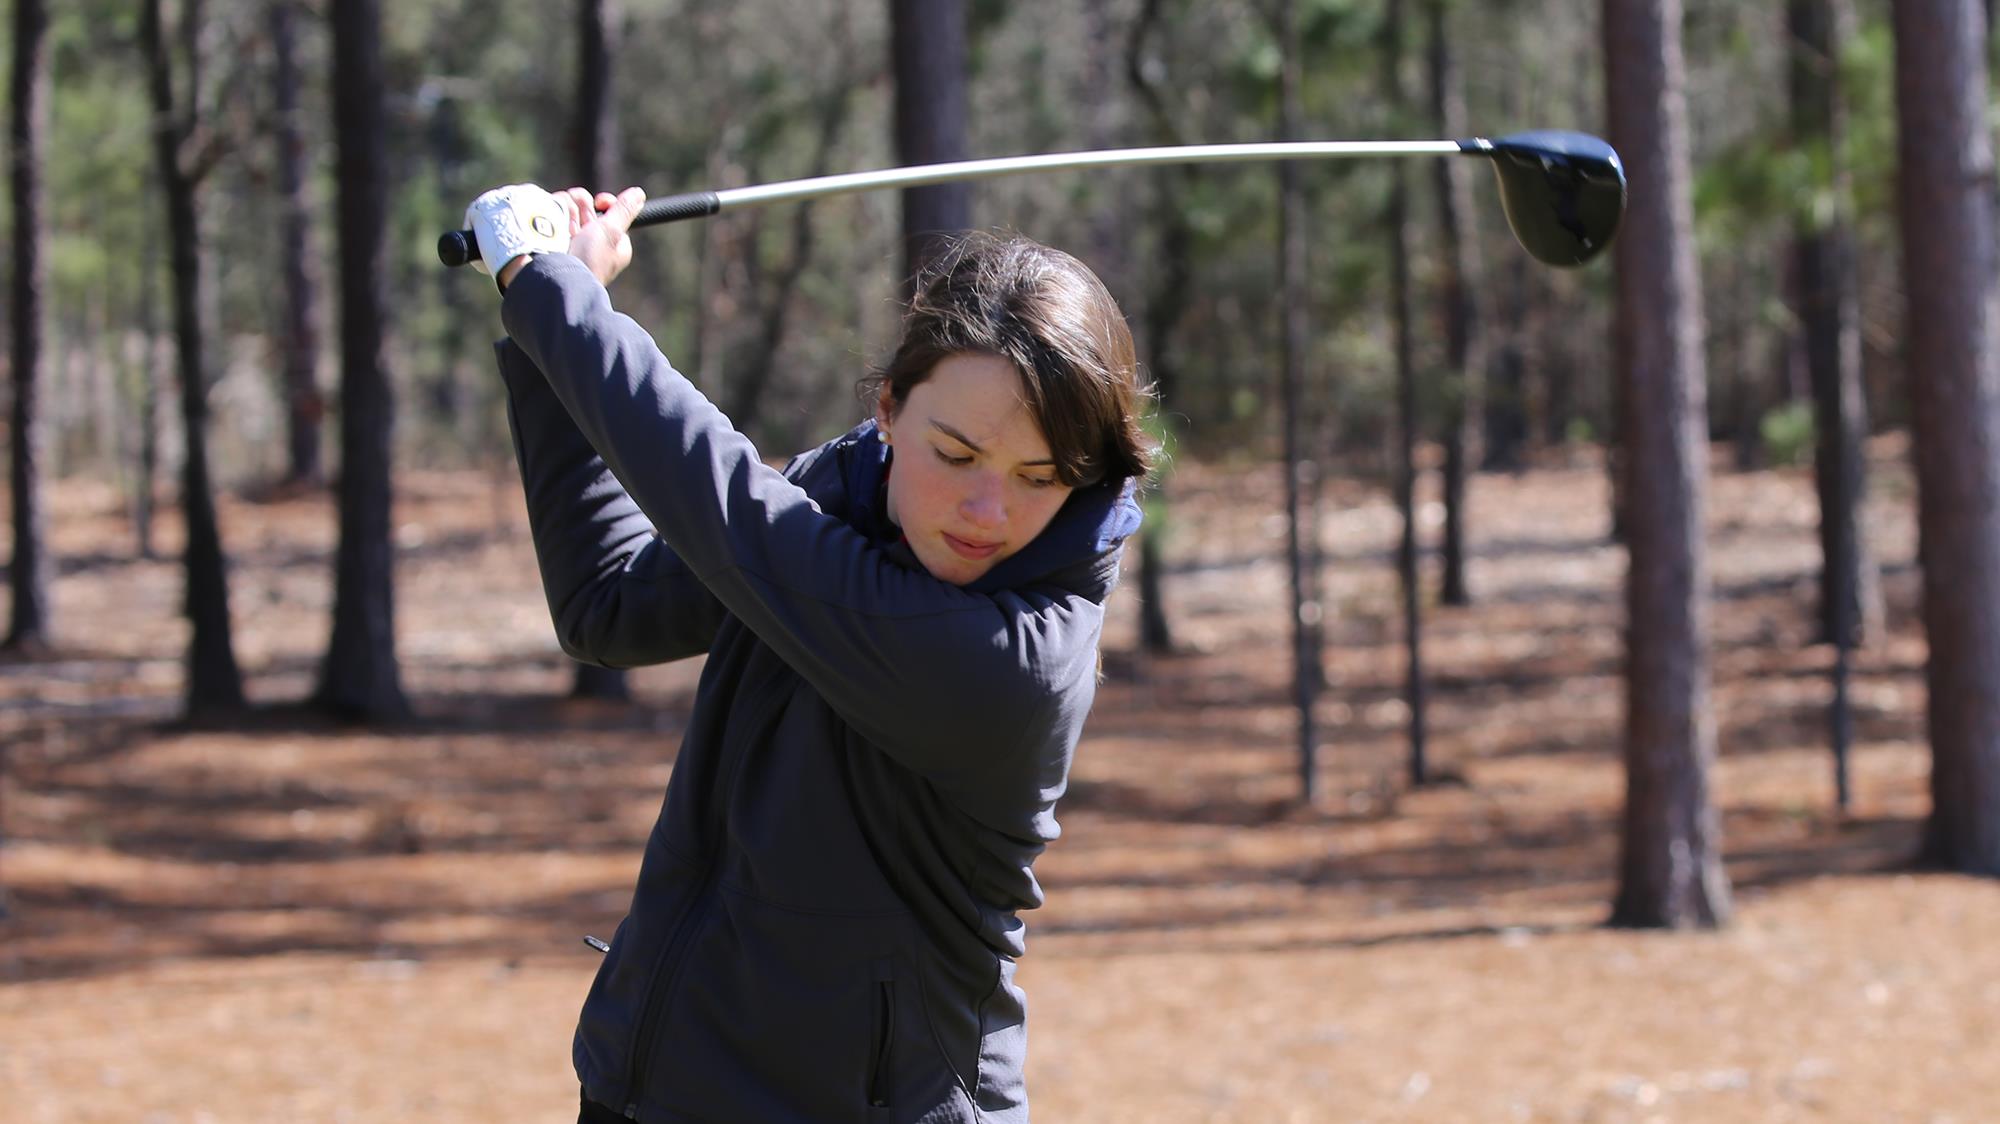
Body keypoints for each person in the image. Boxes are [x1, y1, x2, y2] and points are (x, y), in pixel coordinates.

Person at [464, 182, 1153, 1123]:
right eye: (954, 454)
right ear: (888, 411)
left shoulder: (1010, 664)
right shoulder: (848, 497)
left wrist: (554, 296)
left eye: (1041, 478)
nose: (988, 513)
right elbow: (612, 602)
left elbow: (729, 505)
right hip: (650, 1089)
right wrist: (552, 343)